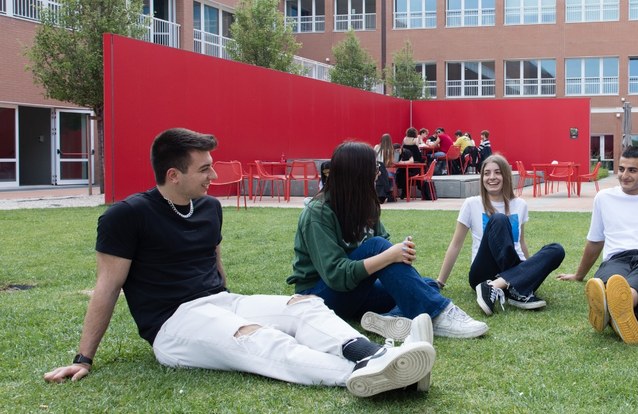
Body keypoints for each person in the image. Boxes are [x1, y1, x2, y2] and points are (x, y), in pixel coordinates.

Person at [42, 128, 435, 397]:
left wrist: (232, 303)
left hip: (220, 302)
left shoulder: (210, 207)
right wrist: (83, 358)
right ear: (173, 174)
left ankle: (372, 353)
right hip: (172, 325)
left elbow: (215, 265)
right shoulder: (125, 216)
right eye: (204, 169)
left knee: (305, 305)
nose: (215, 174)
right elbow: (106, 288)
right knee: (256, 337)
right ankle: (361, 376)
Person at [289, 141, 488, 339]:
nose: (378, 172)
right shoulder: (318, 213)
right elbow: (337, 276)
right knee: (384, 253)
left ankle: (389, 319)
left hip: (355, 291)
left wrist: (400, 255)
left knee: (426, 285)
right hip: (318, 298)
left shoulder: (365, 205)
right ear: (357, 174)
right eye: (374, 167)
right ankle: (438, 315)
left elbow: (384, 250)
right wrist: (390, 255)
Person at [557, 146, 638, 344]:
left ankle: (619, 303)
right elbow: (595, 241)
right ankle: (618, 307)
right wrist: (579, 275)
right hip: (617, 258)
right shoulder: (604, 198)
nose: (624, 175)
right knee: (609, 280)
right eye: (621, 169)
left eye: (632, 170)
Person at [436, 154, 565, 315]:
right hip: (483, 273)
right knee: (499, 219)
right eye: (487, 173)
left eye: (497, 172)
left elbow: (521, 243)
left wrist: (529, 269)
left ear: (505, 176)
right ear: (482, 177)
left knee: (557, 250)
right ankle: (511, 285)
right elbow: (456, 244)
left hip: (514, 268)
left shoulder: (520, 205)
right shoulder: (471, 204)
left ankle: (501, 287)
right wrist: (440, 282)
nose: (492, 177)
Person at [397, 127, 425, 199]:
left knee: (403, 173)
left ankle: (404, 192)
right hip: (415, 166)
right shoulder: (415, 141)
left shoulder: (404, 141)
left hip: (405, 167)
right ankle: (422, 189)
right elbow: (419, 154)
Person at [374, 133, 396, 203]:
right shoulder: (391, 149)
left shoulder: (376, 147)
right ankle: (391, 193)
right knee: (394, 175)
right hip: (387, 170)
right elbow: (392, 162)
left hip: (376, 169)